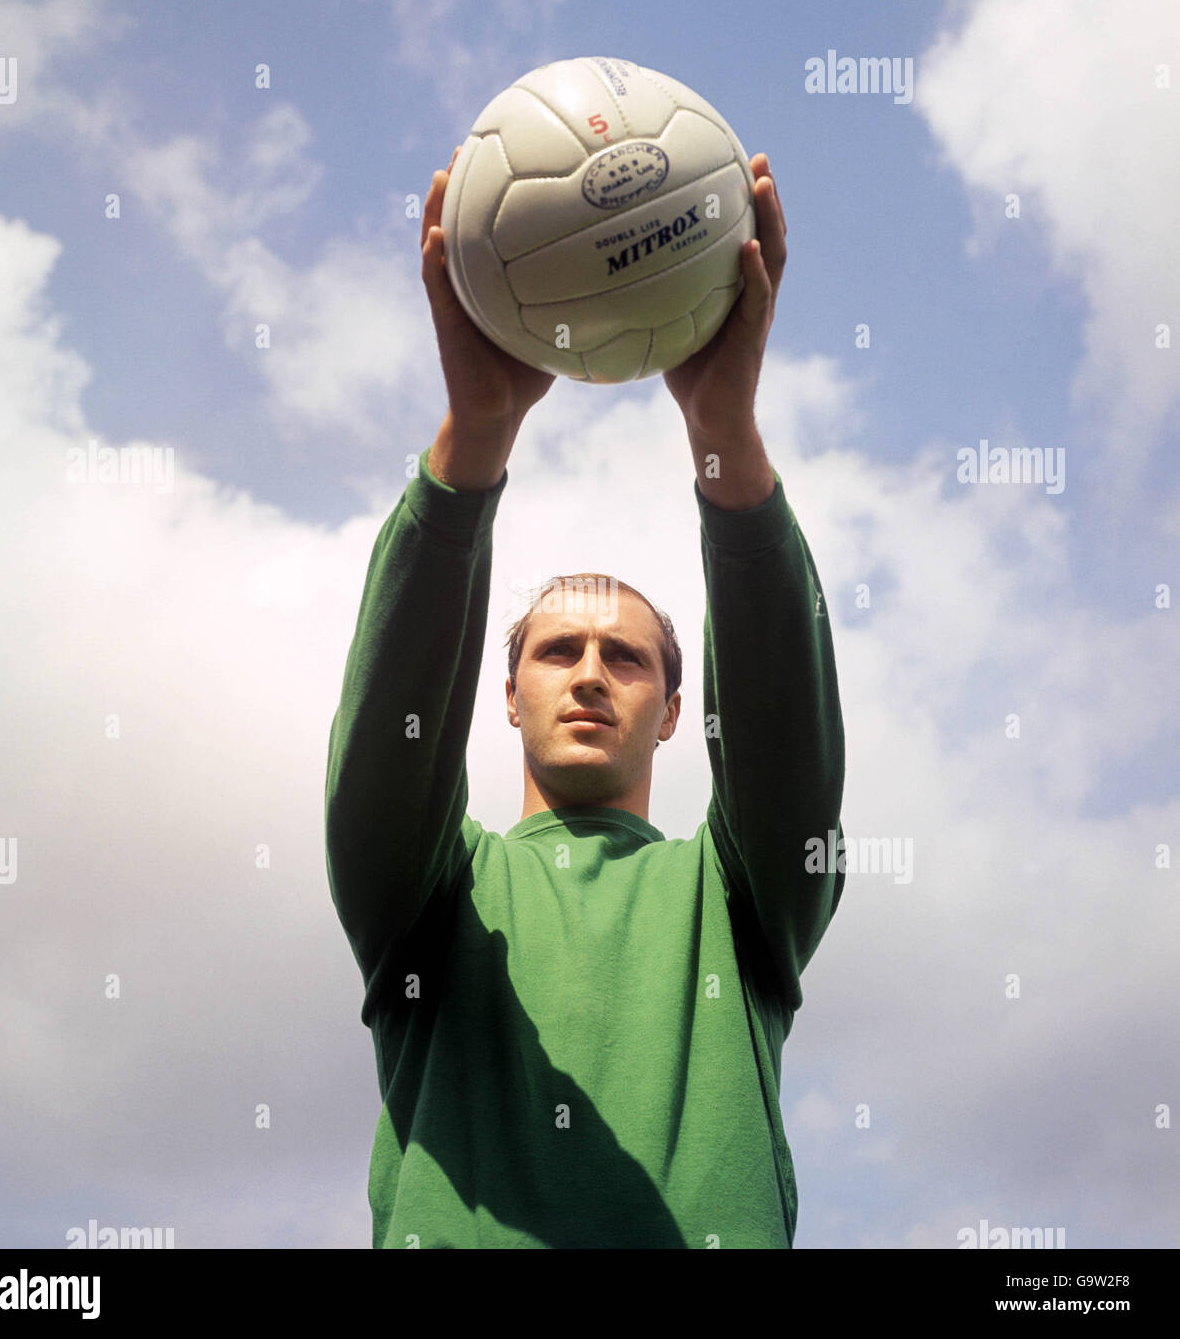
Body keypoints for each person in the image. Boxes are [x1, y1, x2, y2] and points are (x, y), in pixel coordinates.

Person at [325, 146, 845, 1248]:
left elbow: (786, 732)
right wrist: (475, 438)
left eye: (628, 657)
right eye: (558, 649)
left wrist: (723, 434)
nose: (592, 672)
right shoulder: (430, 892)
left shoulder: (740, 901)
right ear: (505, 696)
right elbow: (382, 737)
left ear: (671, 711)